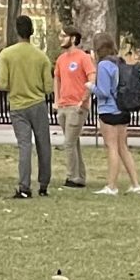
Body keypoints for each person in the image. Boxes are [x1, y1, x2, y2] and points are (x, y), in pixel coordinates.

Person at [0, 14, 54, 200]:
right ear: (32, 31)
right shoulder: (41, 57)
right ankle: (44, 184)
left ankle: (24, 186)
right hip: (37, 104)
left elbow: (3, 84)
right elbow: (48, 87)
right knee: (43, 144)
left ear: (16, 31)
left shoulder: (6, 54)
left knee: (24, 145)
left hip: (17, 105)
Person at [91, 34, 140, 196]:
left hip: (108, 110)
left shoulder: (103, 65)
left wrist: (90, 87)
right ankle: (135, 184)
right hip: (123, 108)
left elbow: (104, 92)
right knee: (123, 147)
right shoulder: (119, 62)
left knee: (111, 147)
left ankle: (112, 185)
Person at [54, 26, 95, 189]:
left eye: (64, 36)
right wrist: (57, 101)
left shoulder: (83, 57)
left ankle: (72, 177)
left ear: (73, 38)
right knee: (73, 142)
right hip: (63, 105)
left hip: (76, 107)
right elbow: (57, 79)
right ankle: (80, 176)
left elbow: (92, 78)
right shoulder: (61, 59)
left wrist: (83, 100)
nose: (61, 38)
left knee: (68, 142)